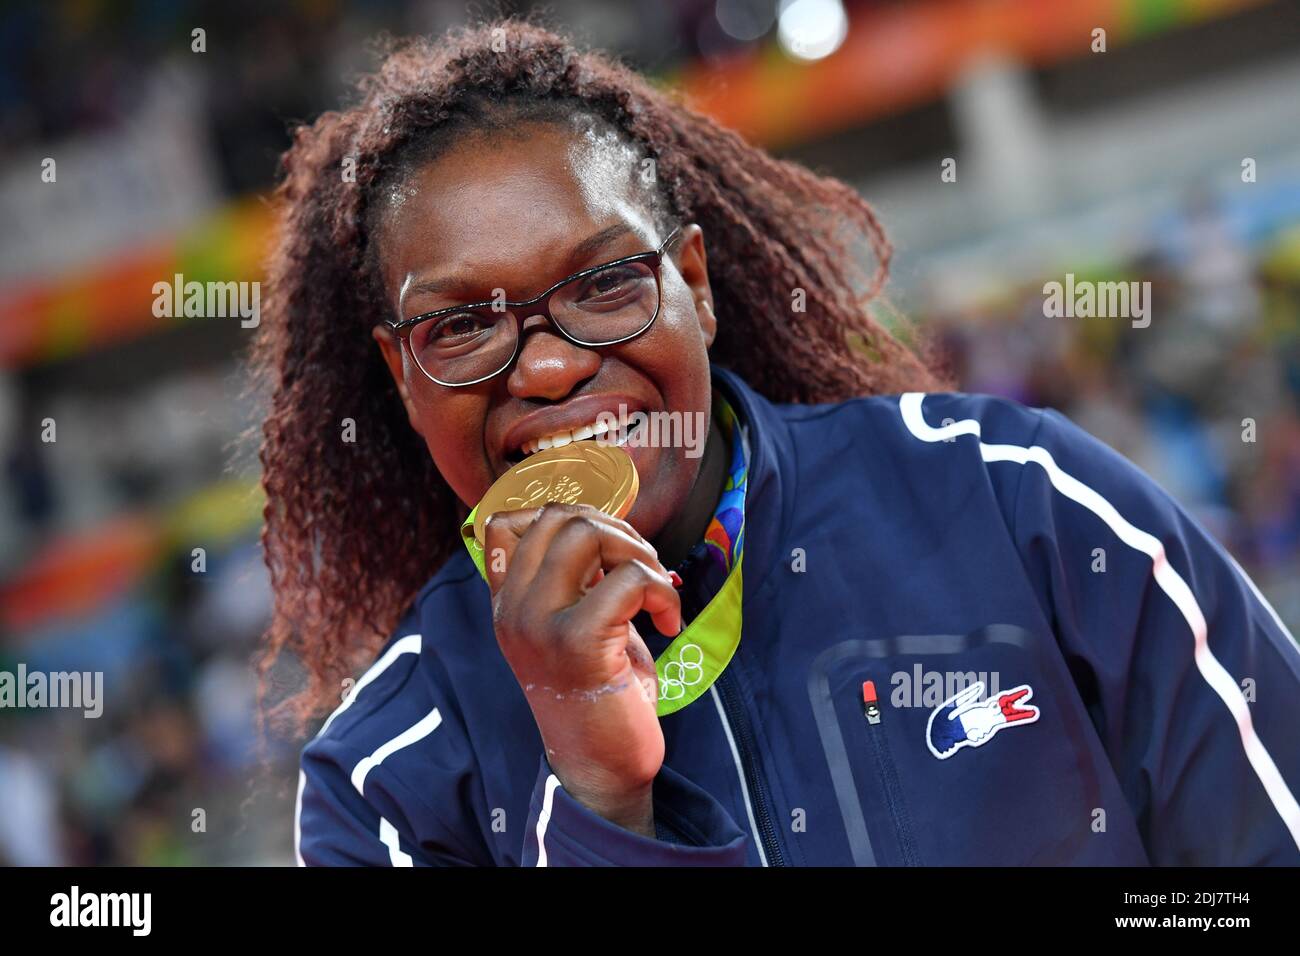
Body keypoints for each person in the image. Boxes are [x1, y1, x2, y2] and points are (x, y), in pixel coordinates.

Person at [257, 21, 1300, 866]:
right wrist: (596, 801)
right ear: (402, 378)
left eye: (603, 283)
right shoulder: (386, 787)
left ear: (695, 288)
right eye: (463, 325)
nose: (544, 367)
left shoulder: (1017, 504)